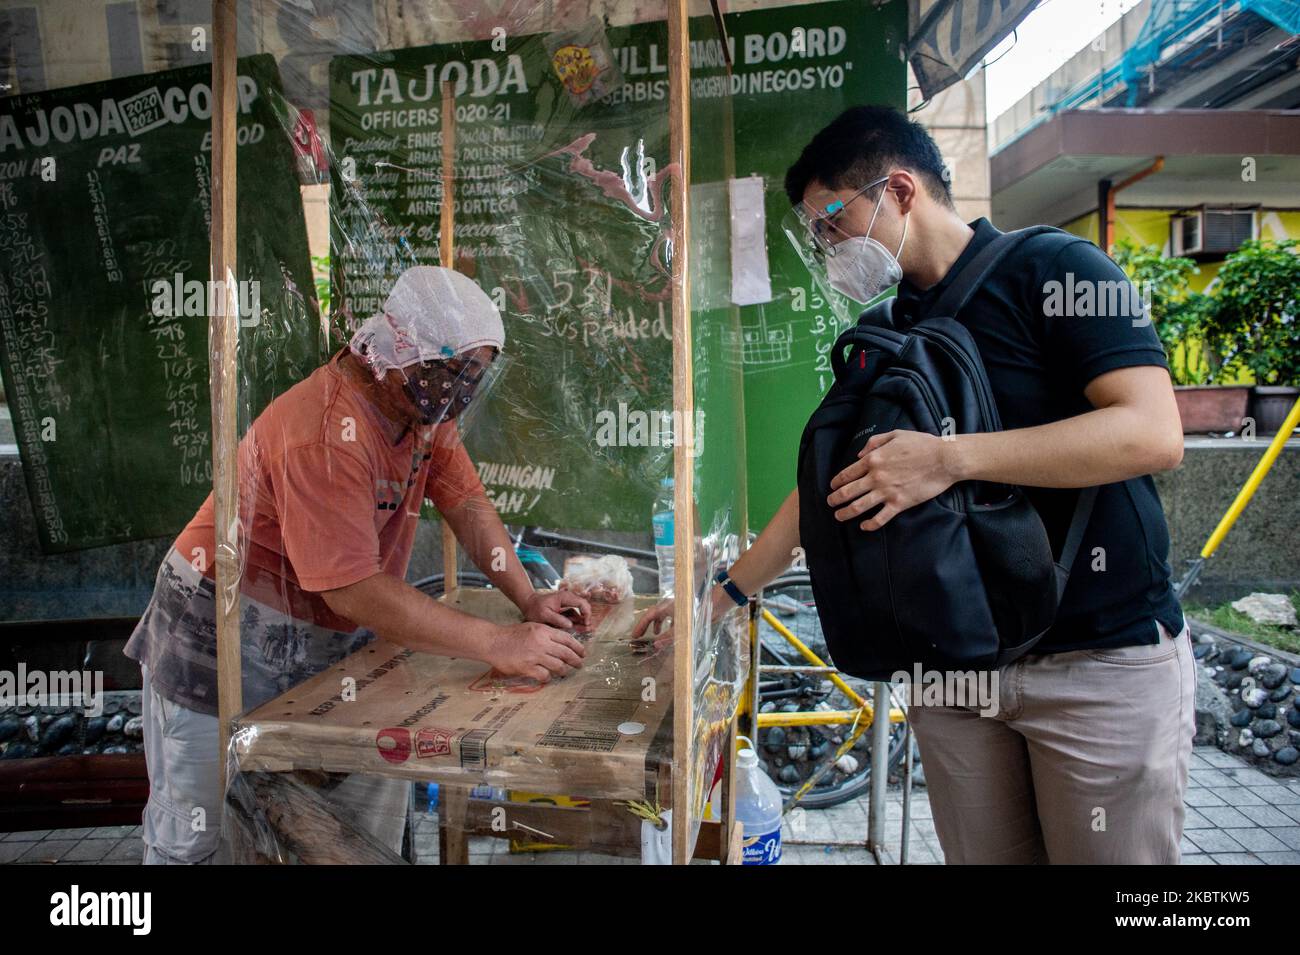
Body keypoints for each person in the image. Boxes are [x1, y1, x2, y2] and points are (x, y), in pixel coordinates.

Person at [634, 106, 1193, 865]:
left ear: (899, 189)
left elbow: (1153, 432)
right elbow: (836, 489)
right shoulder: (890, 328)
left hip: (1096, 664)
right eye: (817, 233)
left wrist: (951, 458)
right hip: (957, 665)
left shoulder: (1060, 270)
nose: (827, 246)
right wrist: (722, 595)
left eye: (832, 220)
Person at [125, 265, 590, 863]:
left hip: (319, 630)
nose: (460, 392)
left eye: (473, 377)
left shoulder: (422, 411)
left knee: (343, 825)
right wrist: (498, 642)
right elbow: (352, 590)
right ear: (401, 352)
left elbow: (465, 499)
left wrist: (528, 599)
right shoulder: (325, 430)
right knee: (203, 832)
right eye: (451, 372)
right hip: (218, 633)